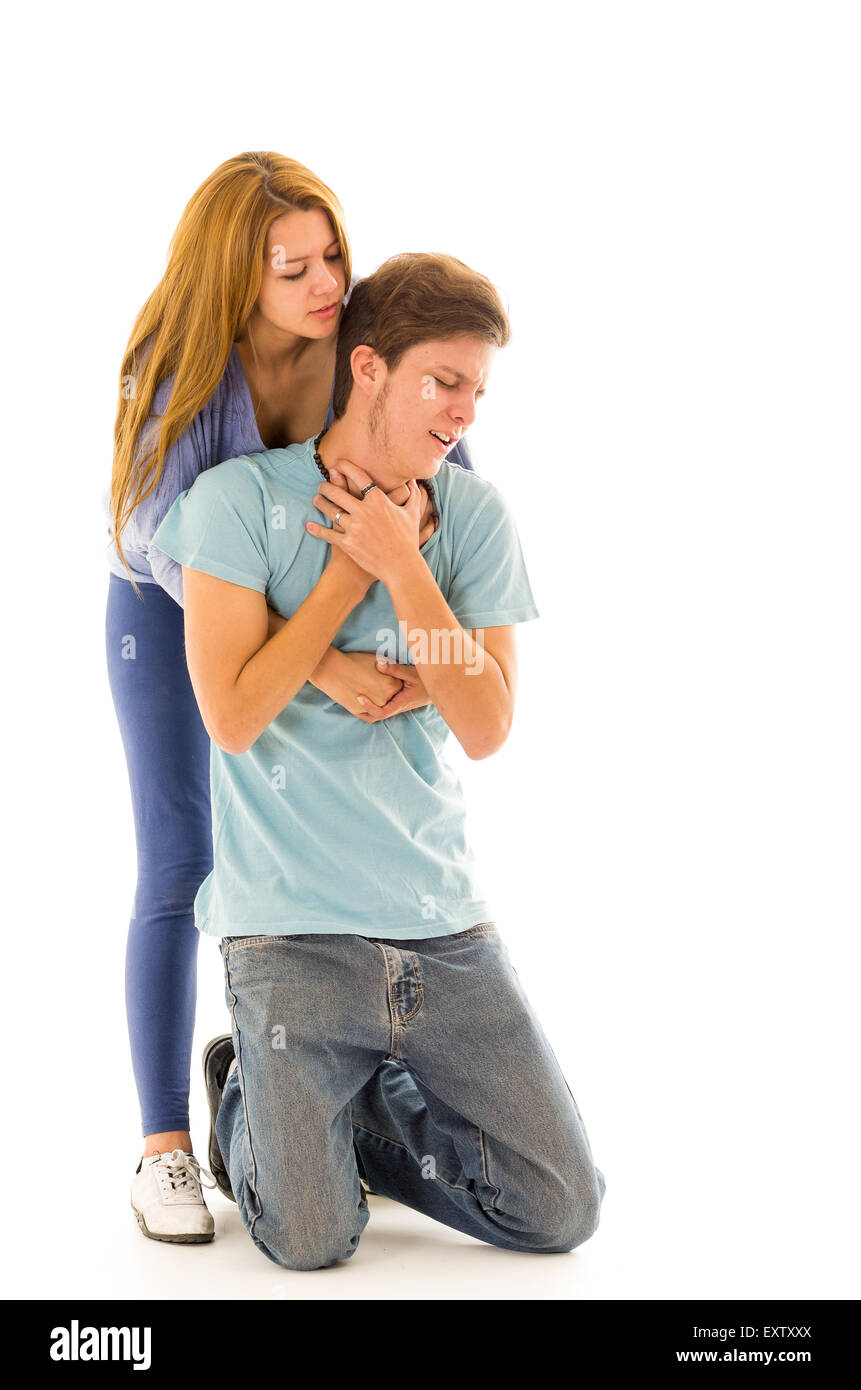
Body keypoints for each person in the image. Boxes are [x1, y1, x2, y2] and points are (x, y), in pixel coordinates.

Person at [149, 251, 606, 1269]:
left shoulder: (475, 521)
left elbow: (486, 722)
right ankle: (243, 1094)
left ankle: (348, 1113)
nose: (463, 413)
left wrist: (405, 571)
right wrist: (343, 577)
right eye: (443, 381)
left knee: (562, 1205)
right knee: (310, 1240)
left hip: (442, 931)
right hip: (290, 935)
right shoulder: (236, 505)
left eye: (477, 391)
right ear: (367, 368)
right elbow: (230, 713)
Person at [104, 152, 475, 1243]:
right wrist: (318, 664)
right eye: (290, 268)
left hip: (330, 602)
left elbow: (441, 471)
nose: (324, 285)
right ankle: (164, 1145)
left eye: (332, 257)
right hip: (170, 609)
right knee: (184, 856)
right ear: (236, 278)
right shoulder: (180, 373)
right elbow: (153, 540)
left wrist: (422, 623)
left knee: (338, 847)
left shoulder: (358, 350)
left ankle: (317, 1094)